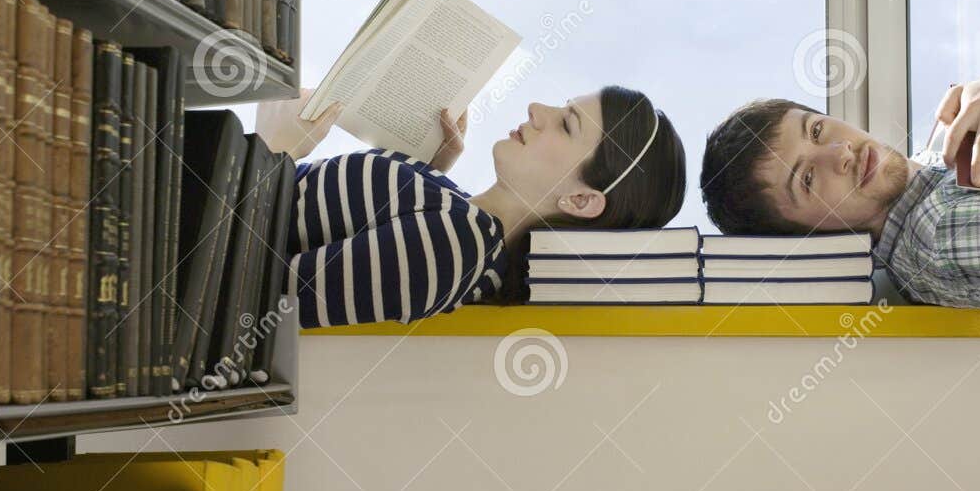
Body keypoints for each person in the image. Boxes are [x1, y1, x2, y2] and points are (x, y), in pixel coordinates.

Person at [259, 86, 686, 326]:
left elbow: (260, 305)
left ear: (580, 200)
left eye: (566, 124)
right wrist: (428, 169)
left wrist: (273, 151)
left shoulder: (462, 246)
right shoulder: (458, 220)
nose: (538, 109)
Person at [699, 60, 980, 319]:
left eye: (816, 130)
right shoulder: (938, 236)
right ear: (811, 237)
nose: (840, 152)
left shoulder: (940, 148)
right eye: (808, 179)